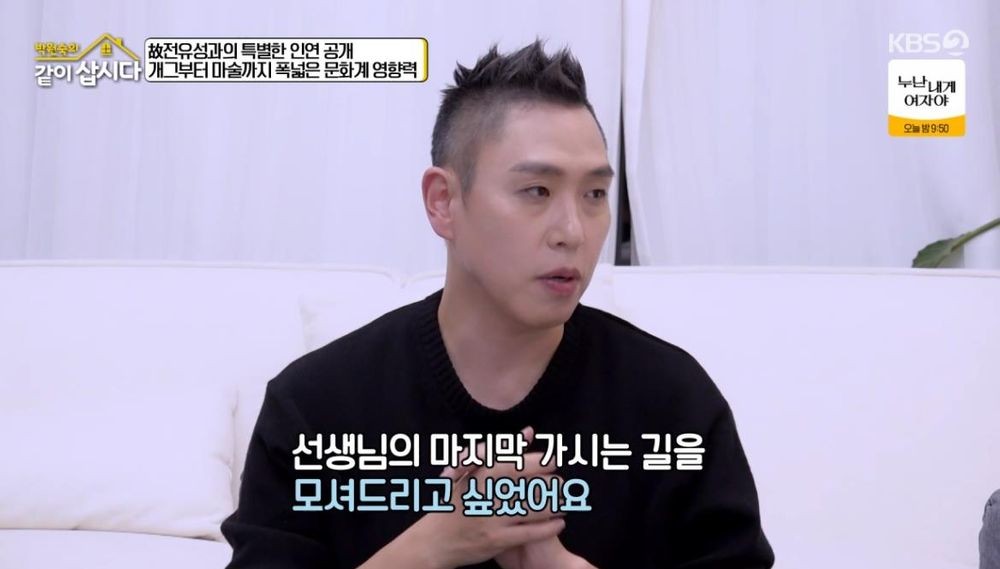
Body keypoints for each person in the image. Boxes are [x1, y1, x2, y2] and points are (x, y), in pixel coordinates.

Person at [222, 40, 775, 569]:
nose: (573, 231)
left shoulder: (672, 403)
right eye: (537, 191)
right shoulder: (316, 407)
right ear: (443, 202)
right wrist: (432, 547)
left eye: (594, 194)